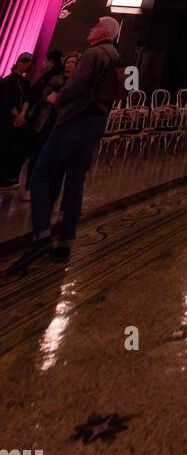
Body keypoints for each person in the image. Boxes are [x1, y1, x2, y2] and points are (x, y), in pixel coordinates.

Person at [6, 19, 121, 273]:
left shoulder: (93, 54)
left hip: (75, 121)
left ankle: (42, 234)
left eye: (94, 26)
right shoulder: (116, 56)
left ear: (102, 31)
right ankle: (66, 241)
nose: (90, 29)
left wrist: (57, 99)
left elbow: (75, 86)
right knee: (75, 182)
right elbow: (121, 88)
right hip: (95, 123)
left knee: (39, 175)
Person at [21, 51, 79, 200]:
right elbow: (42, 97)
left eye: (73, 63)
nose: (69, 65)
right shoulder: (55, 79)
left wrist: (58, 99)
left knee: (54, 161)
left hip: (61, 125)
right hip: (45, 122)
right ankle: (29, 187)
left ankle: (47, 192)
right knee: (36, 156)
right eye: (68, 62)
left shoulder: (78, 84)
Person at [0, 54, 33, 190]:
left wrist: (22, 114)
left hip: (17, 120)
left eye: (27, 63)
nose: (25, 65)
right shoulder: (8, 81)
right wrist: (18, 115)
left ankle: (6, 177)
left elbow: (27, 99)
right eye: (23, 62)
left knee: (10, 148)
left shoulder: (25, 83)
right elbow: (7, 100)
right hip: (6, 119)